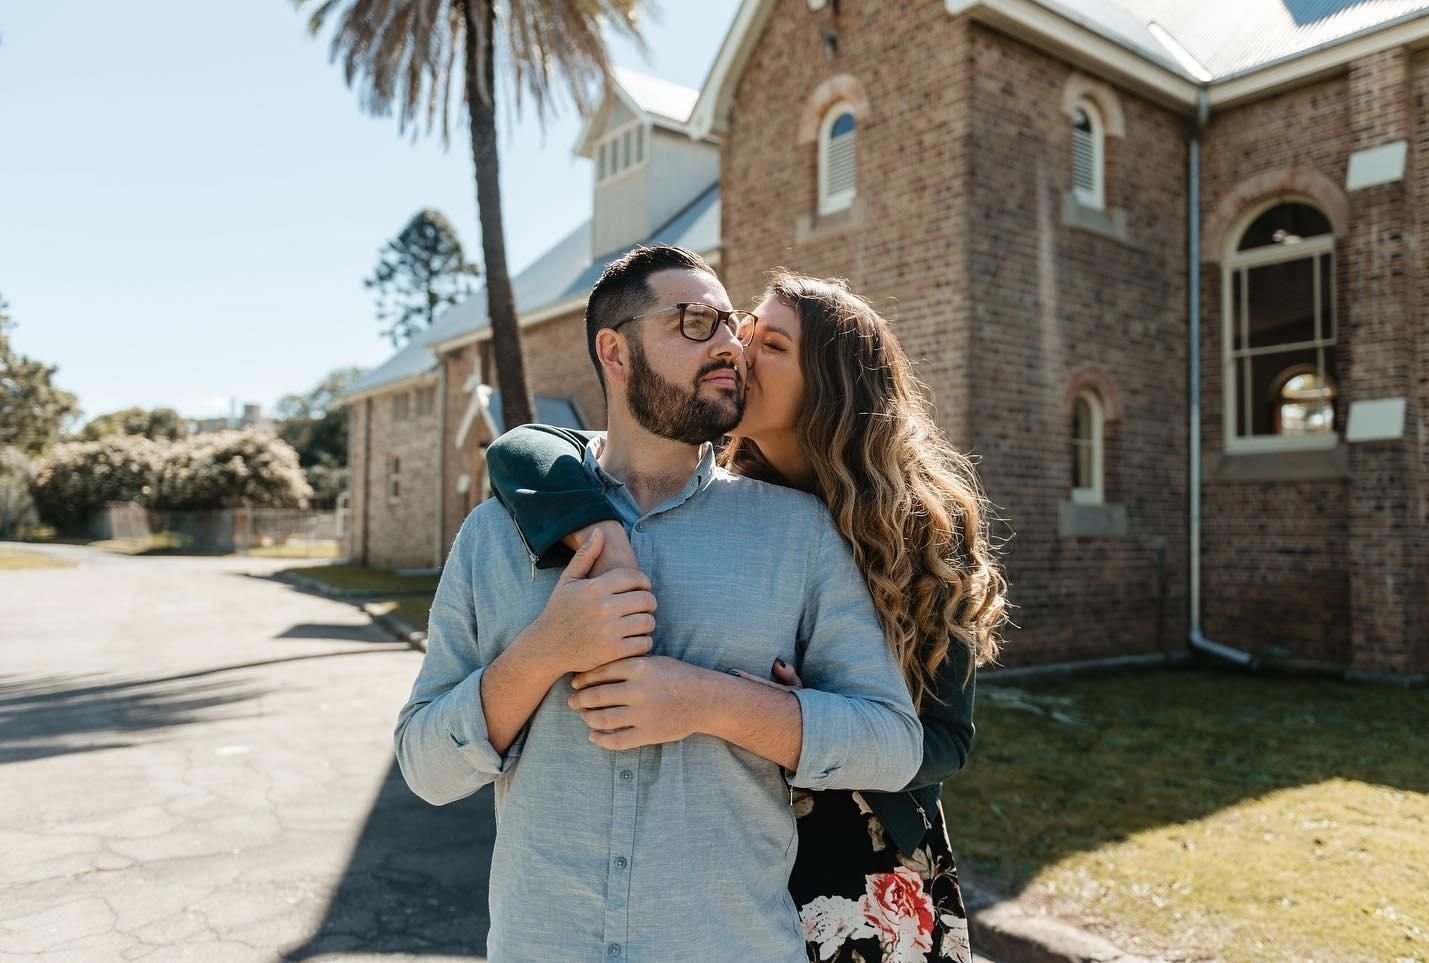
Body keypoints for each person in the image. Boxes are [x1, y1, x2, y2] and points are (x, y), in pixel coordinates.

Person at [395, 245, 923, 962]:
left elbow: (893, 745)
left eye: (730, 324)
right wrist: (548, 647)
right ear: (615, 351)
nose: (730, 345)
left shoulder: (797, 534)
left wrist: (708, 701)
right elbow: (426, 767)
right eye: (694, 322)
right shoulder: (495, 534)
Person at [486, 267, 1008, 963]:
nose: (736, 348)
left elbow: (948, 740)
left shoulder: (917, 526)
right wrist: (594, 531)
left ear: (831, 380)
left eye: (771, 344)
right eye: (740, 328)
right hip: (726, 854)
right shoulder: (736, 498)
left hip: (864, 852)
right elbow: (526, 447)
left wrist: (798, 719)